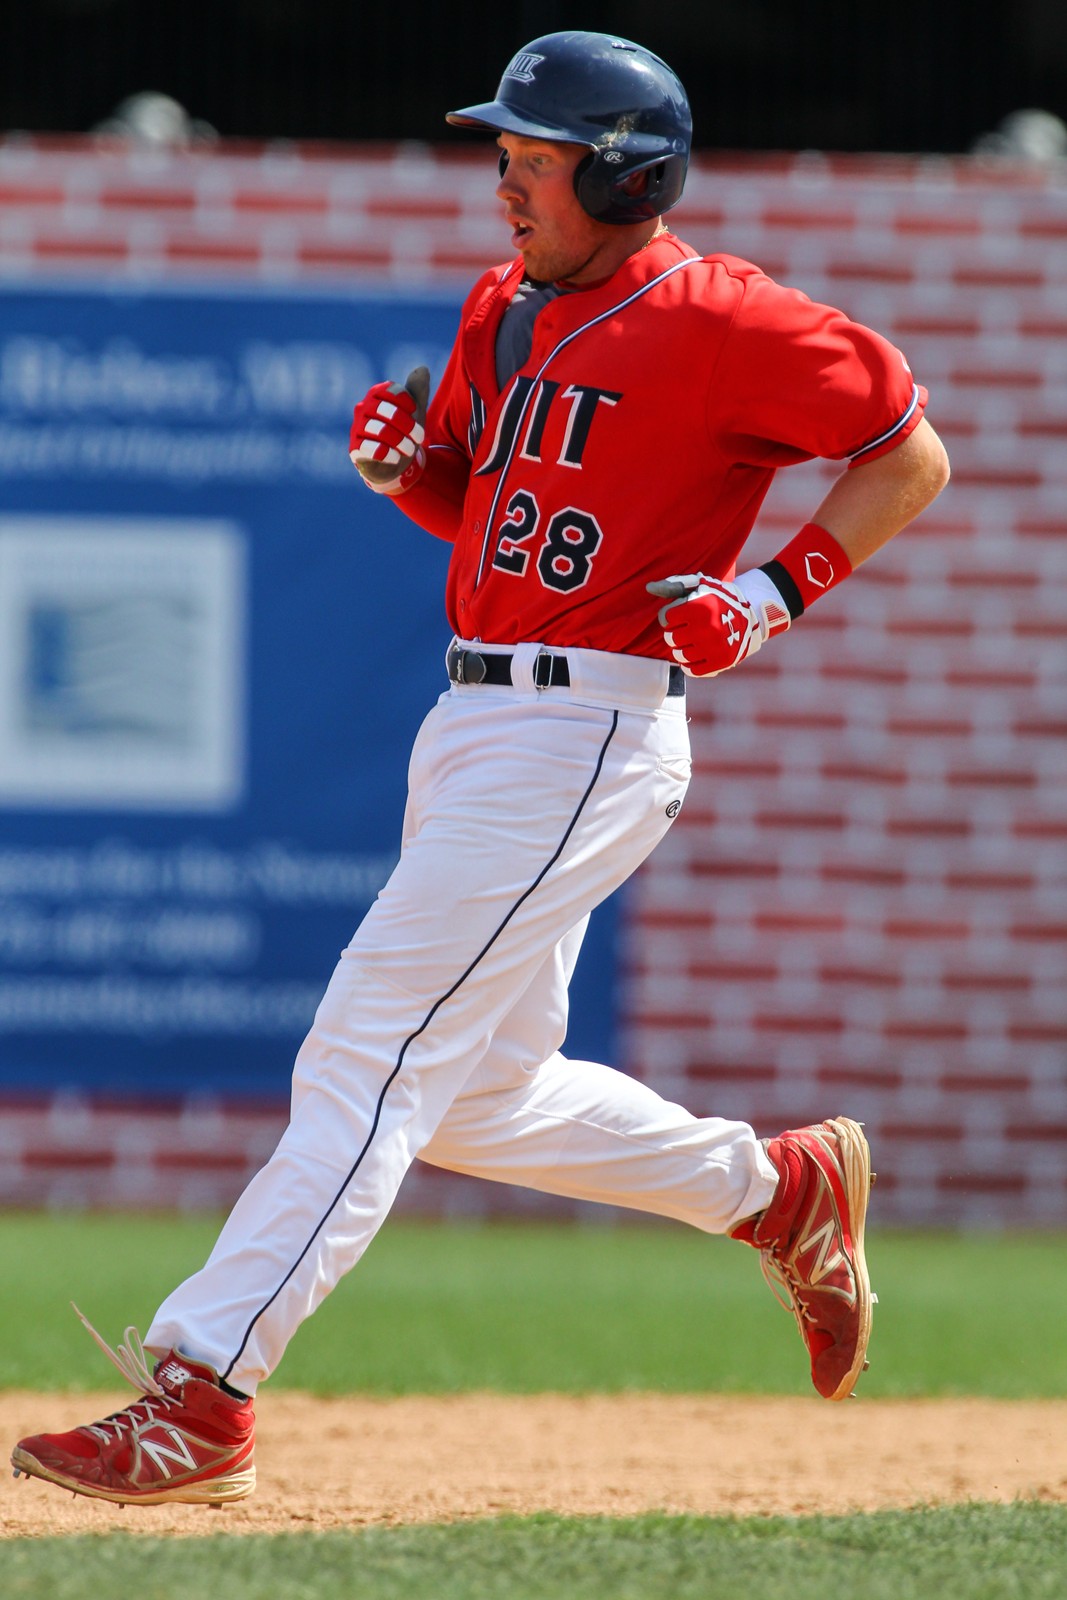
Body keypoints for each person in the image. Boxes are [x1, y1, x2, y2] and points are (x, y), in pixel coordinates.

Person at [11, 31, 949, 1508]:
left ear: (629, 173)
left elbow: (909, 453)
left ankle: (203, 1392)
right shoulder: (503, 309)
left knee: (367, 1045)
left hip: (593, 728)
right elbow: (494, 524)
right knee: (468, 1097)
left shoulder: (730, 319)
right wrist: (410, 480)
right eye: (502, 151)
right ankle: (776, 1193)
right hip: (479, 724)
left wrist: (773, 595)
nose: (505, 180)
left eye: (535, 155)